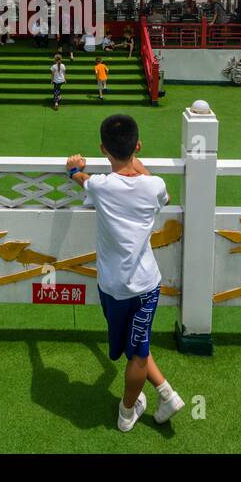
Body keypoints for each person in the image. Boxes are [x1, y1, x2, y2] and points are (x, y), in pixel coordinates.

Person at [65, 115, 185, 431]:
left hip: (113, 286)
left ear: (104, 149)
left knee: (138, 352)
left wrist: (75, 168)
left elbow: (82, 179)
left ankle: (126, 411)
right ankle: (165, 393)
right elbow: (165, 197)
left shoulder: (101, 186)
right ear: (138, 146)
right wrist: (137, 164)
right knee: (138, 347)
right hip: (147, 284)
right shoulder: (154, 185)